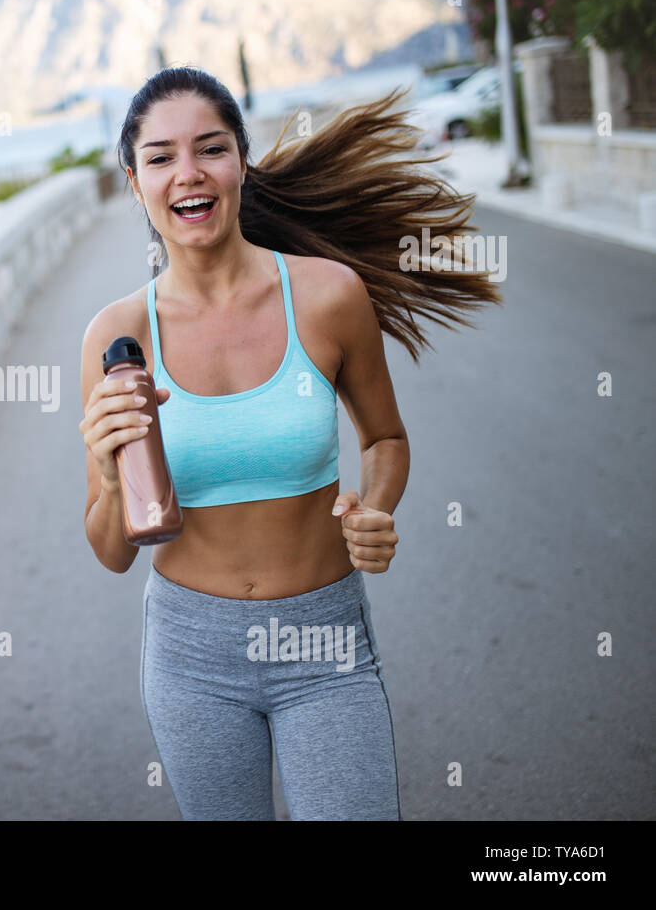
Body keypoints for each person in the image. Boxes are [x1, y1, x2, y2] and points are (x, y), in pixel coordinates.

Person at [78, 66, 502, 820]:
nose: (188, 173)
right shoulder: (117, 338)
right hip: (190, 657)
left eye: (210, 148)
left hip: (323, 645)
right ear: (134, 181)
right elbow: (112, 552)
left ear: (242, 160)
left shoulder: (328, 296)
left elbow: (386, 438)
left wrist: (375, 507)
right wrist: (113, 485)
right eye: (160, 157)